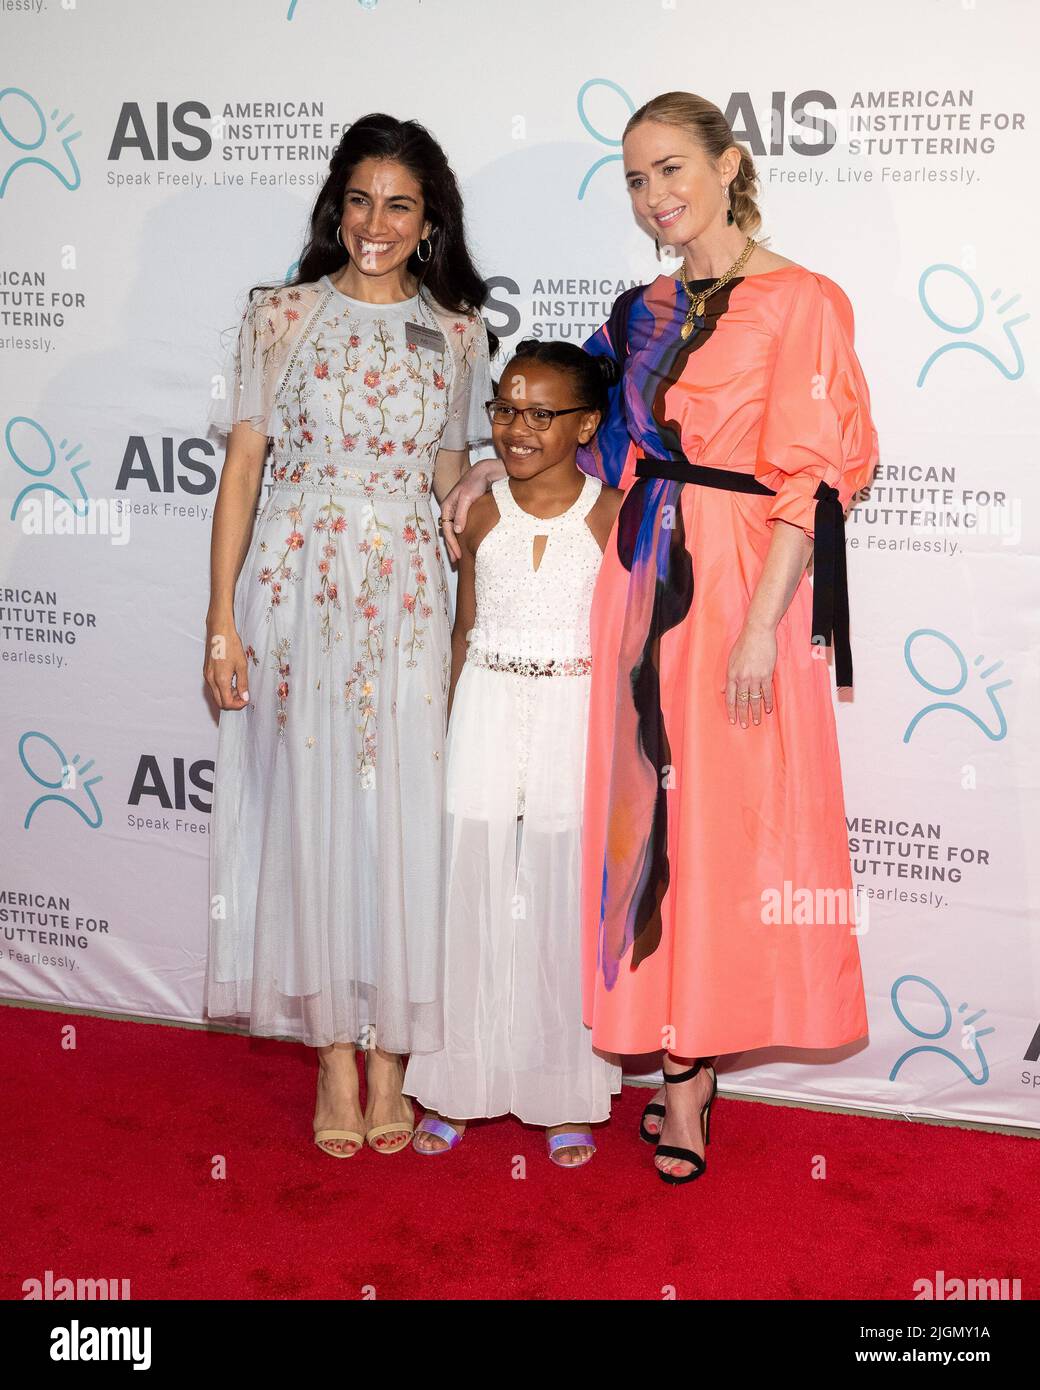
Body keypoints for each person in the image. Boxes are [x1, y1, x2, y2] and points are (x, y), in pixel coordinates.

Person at [439, 91, 878, 1186]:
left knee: (722, 835)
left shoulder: (803, 300)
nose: (655, 197)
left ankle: (690, 1079)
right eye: (635, 179)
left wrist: (757, 628)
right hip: (635, 581)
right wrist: (504, 457)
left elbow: (810, 478)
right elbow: (574, 418)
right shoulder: (636, 309)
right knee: (640, 824)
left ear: (729, 165)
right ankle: (664, 1046)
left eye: (672, 169)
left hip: (739, 588)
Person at [203, 113, 494, 1159]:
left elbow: (445, 478)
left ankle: (396, 1053)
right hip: (297, 578)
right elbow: (241, 475)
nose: (376, 222)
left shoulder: (460, 331)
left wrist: (482, 608)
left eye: (400, 204)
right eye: (360, 200)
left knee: (403, 816)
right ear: (339, 206)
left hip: (409, 585)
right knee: (313, 809)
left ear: (428, 223)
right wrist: (220, 621)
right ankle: (335, 1050)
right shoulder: (278, 316)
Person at [403, 340, 624, 1166]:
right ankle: (459, 1083)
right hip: (487, 708)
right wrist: (451, 726)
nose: (517, 427)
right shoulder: (481, 509)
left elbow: (627, 642)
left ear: (586, 424)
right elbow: (463, 631)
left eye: (541, 413)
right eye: (504, 409)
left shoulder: (611, 514)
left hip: (572, 713)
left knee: (561, 899)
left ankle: (560, 1087)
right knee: (475, 893)